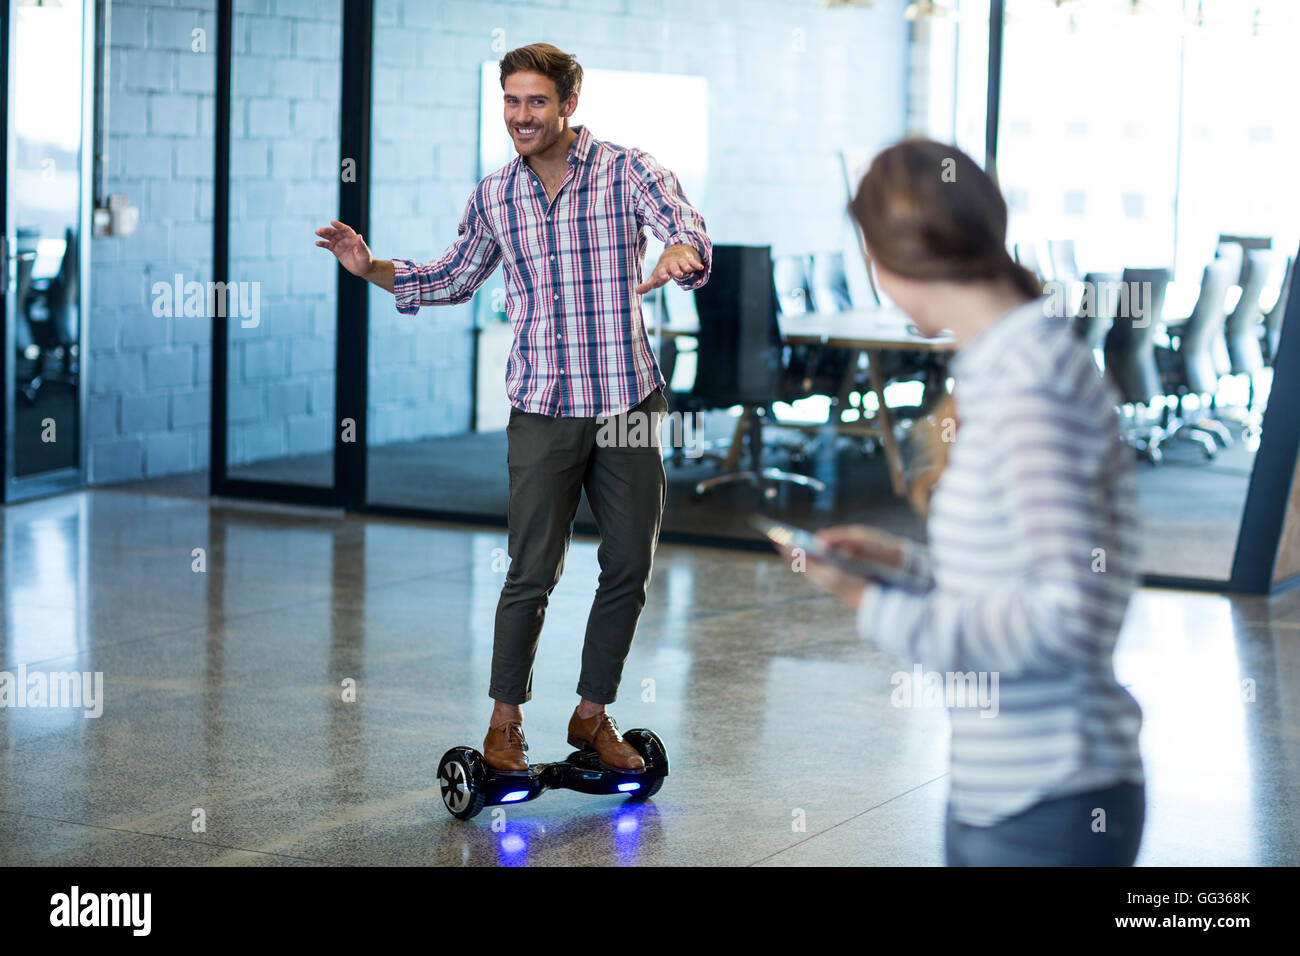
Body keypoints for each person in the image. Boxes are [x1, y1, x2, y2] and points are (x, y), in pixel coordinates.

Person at [315, 43, 711, 774]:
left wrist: (683, 252)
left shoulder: (630, 169)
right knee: (532, 568)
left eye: (536, 102)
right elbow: (452, 276)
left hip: (628, 396)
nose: (521, 117)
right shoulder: (495, 194)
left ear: (568, 105)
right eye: (511, 101)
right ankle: (505, 724)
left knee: (628, 563)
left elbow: (684, 225)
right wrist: (369, 266)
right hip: (543, 403)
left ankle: (592, 716)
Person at [781, 138, 1145, 865]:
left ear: (895, 257)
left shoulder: (1027, 385)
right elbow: (1020, 575)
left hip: (1047, 797)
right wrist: (908, 568)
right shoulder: (1006, 362)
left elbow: (1068, 616)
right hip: (1004, 789)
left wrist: (876, 606)